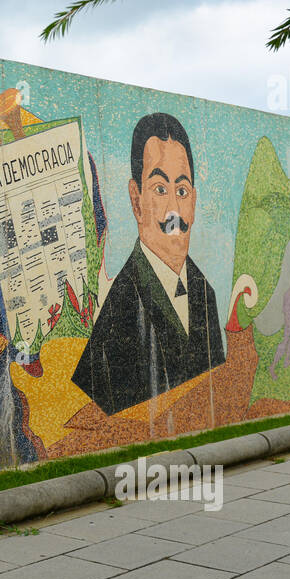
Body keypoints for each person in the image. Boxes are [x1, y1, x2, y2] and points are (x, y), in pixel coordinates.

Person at [71, 113, 224, 414]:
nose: (173, 210)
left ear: (193, 200)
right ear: (136, 200)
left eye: (181, 191)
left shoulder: (203, 291)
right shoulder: (121, 315)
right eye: (159, 189)